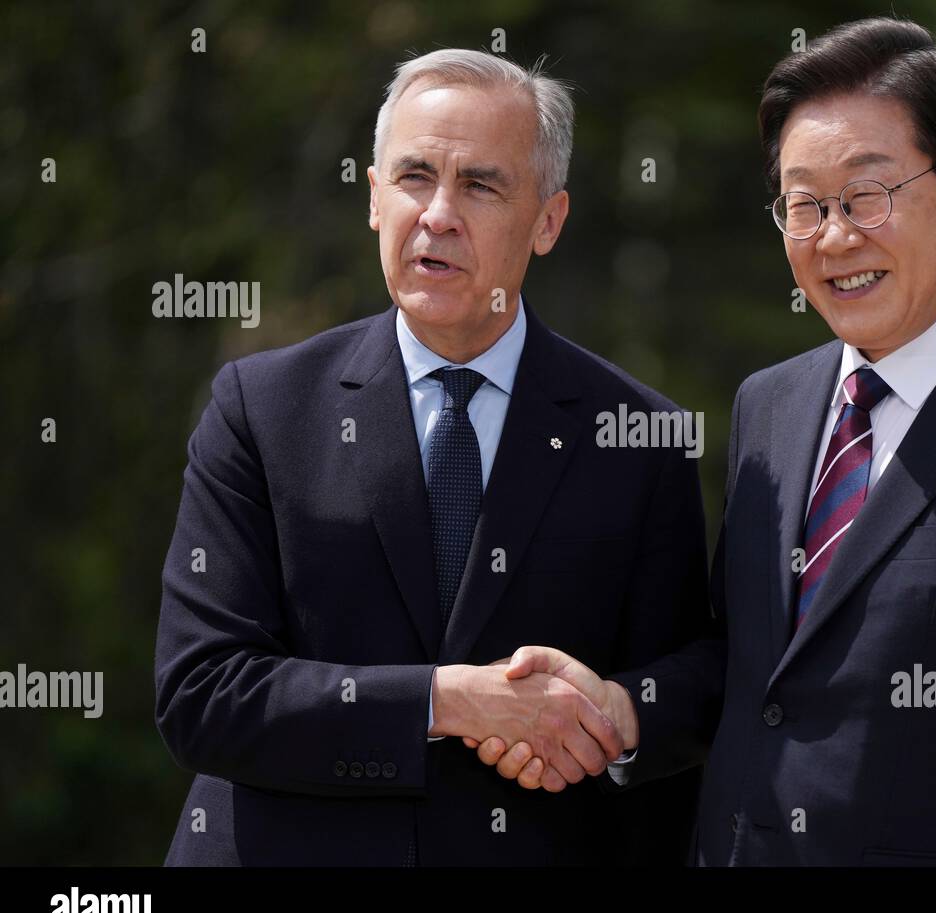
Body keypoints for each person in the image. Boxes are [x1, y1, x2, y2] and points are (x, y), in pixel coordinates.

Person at [479, 17, 936, 866]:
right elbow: (753, 668)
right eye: (803, 205)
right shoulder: (773, 404)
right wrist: (623, 710)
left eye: (868, 194)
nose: (836, 236)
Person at [155, 49, 707, 865]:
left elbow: (687, 686)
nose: (439, 214)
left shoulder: (638, 436)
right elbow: (200, 694)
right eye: (415, 176)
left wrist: (611, 715)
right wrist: (449, 701)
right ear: (375, 199)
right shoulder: (260, 409)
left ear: (548, 221)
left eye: (481, 185)